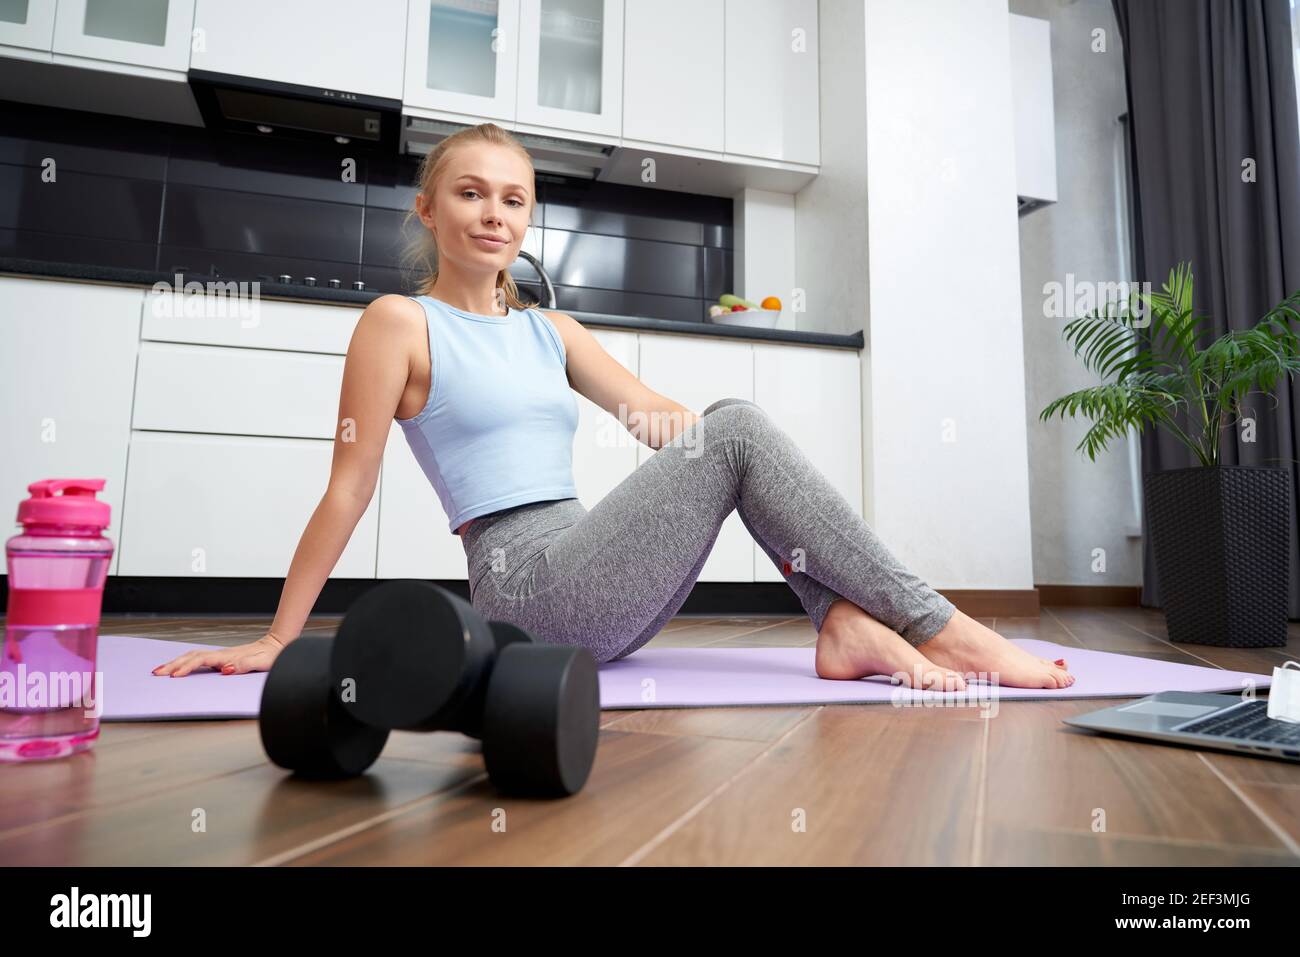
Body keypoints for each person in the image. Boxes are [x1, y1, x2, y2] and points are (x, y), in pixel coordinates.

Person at [153, 123, 1074, 691]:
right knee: (739, 429)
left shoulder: (552, 329)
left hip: (603, 588)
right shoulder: (399, 322)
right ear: (428, 209)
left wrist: (711, 455)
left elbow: (655, 417)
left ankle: (842, 624)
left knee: (734, 430)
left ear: (527, 220)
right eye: (470, 193)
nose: (493, 213)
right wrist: (281, 633)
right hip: (526, 590)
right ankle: (938, 627)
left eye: (513, 199)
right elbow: (348, 489)